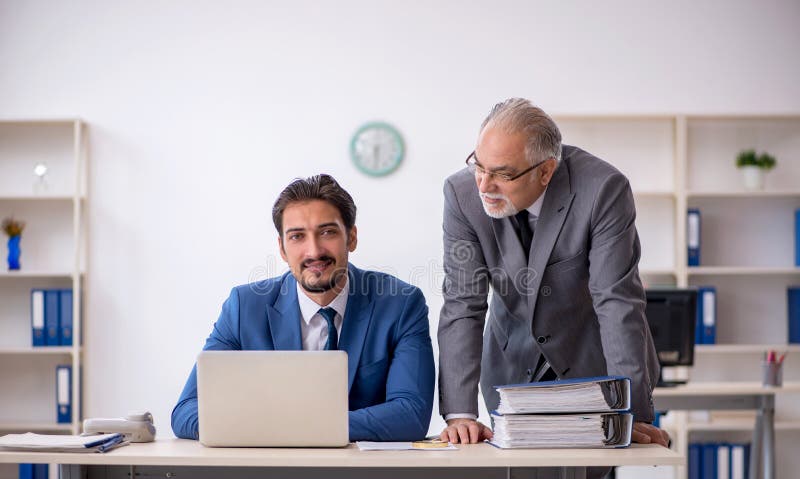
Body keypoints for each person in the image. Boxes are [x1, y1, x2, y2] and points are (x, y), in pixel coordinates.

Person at [437, 98, 669, 450]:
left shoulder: (602, 190)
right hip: (510, 365)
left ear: (545, 171)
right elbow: (462, 302)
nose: (484, 185)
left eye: (502, 173)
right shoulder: (462, 194)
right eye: (478, 166)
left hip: (592, 367)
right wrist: (459, 413)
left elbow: (616, 302)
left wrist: (630, 412)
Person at [172, 174, 435, 442]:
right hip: (270, 476)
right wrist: (301, 426)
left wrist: (283, 425)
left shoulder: (401, 303)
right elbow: (186, 413)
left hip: (362, 476)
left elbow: (411, 415)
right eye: (297, 236)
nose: (314, 251)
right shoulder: (244, 307)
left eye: (327, 232)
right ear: (283, 249)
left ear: (352, 237)